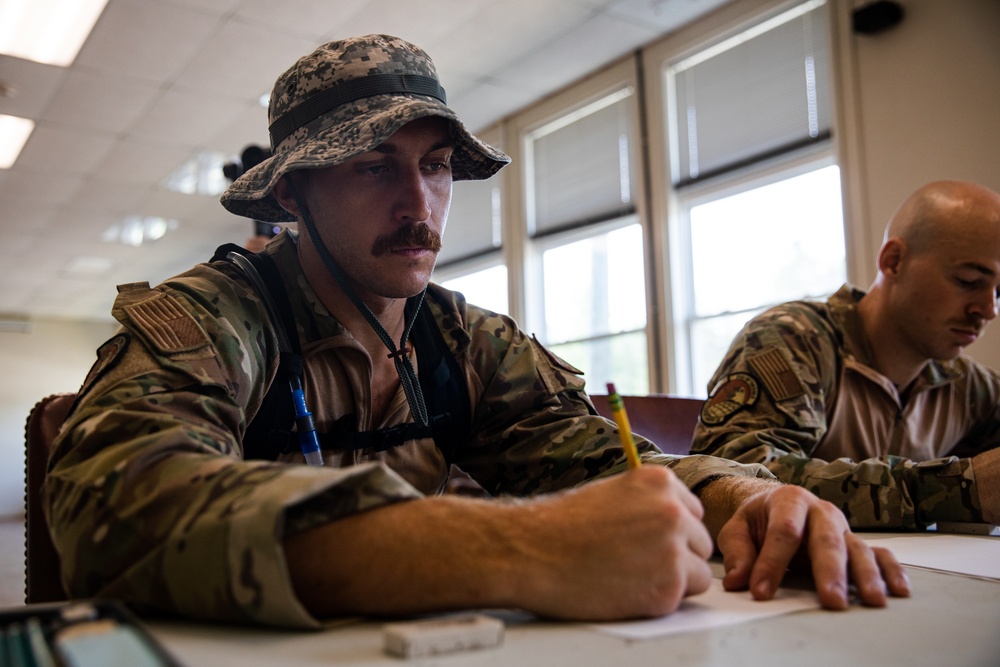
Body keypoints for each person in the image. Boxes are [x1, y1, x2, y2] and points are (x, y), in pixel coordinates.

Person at [43, 35, 907, 630]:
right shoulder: (215, 315)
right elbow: (112, 508)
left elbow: (598, 455)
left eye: (436, 167)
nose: (419, 207)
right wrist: (517, 548)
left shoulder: (465, 340)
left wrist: (741, 495)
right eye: (373, 166)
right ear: (291, 197)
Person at [691, 180, 1000, 531]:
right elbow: (730, 479)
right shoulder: (792, 340)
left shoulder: (970, 387)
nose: (988, 310)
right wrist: (960, 488)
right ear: (893, 261)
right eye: (968, 280)